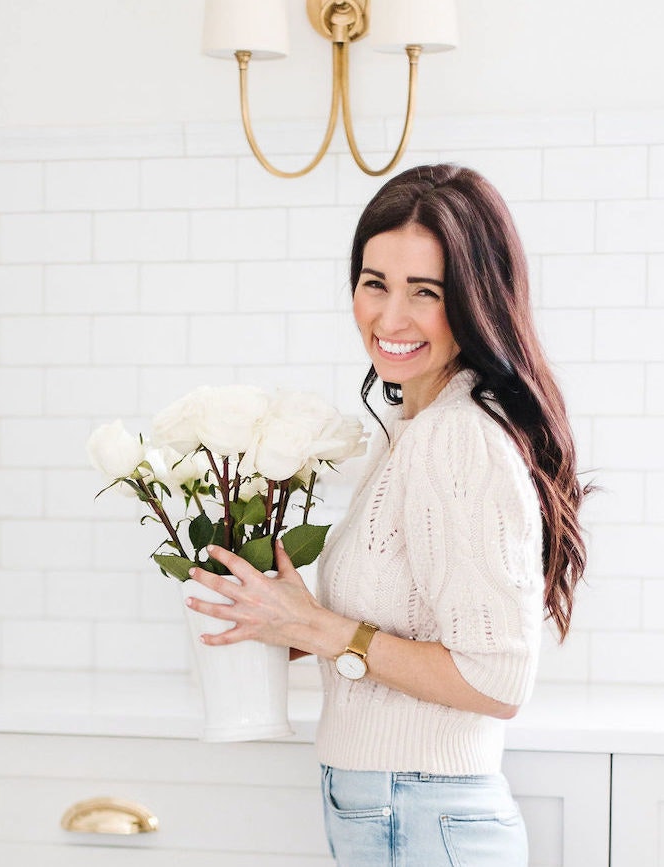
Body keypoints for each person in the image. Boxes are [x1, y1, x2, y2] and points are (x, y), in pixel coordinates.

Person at [185, 163, 588, 866]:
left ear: (474, 301)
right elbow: (400, 630)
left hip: (421, 814)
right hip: (401, 810)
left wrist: (319, 626)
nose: (390, 317)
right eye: (375, 283)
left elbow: (498, 679)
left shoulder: (455, 435)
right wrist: (285, 622)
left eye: (424, 292)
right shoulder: (412, 425)